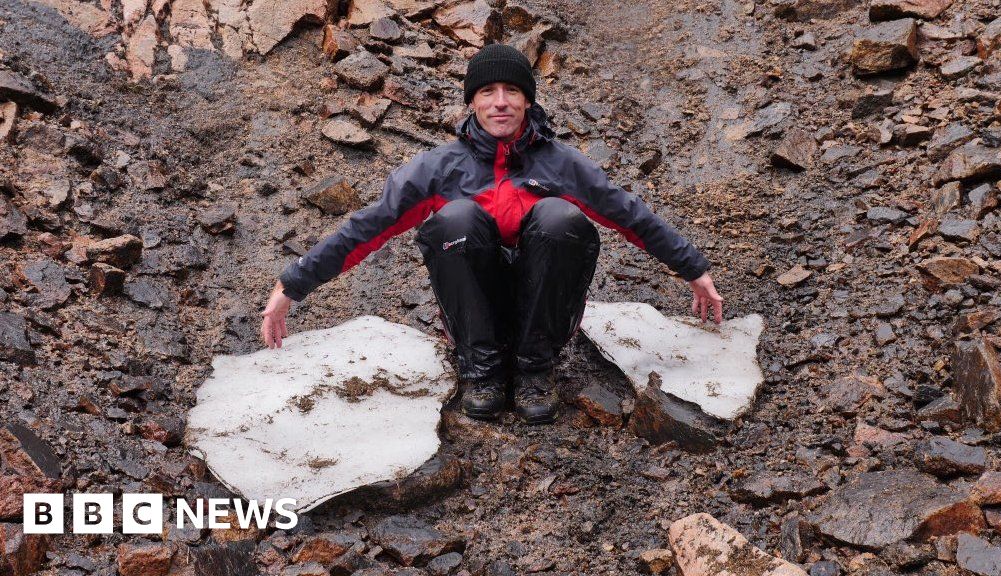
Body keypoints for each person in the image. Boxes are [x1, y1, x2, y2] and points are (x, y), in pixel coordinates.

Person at [261, 44, 724, 425]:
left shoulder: (561, 164)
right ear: (472, 102)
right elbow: (367, 227)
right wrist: (293, 285)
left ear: (528, 101)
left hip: (543, 305)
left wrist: (694, 268)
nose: (500, 101)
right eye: (487, 91)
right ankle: (480, 369)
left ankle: (534, 370)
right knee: (454, 221)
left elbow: (630, 214)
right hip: (476, 307)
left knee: (561, 220)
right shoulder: (437, 169)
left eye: (511, 91)